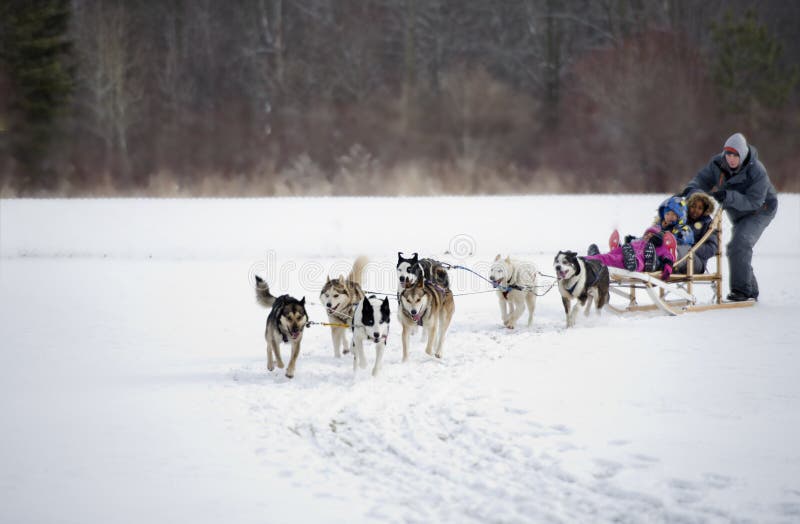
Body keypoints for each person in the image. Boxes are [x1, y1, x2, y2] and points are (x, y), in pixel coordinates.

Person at [679, 132, 778, 301]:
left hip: (761, 210)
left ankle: (742, 291)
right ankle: (751, 289)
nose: (731, 158)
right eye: (728, 154)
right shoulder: (718, 163)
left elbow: (755, 201)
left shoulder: (757, 171)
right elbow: (701, 180)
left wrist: (728, 196)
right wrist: (692, 192)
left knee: (739, 244)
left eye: (735, 155)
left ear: (743, 154)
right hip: (737, 210)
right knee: (738, 248)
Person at [587, 225, 676, 281]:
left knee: (637, 258)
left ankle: (635, 262)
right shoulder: (634, 244)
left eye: (652, 235)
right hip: (628, 255)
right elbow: (614, 253)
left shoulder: (660, 247)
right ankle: (591, 258)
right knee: (612, 257)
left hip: (644, 261)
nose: (648, 235)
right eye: (646, 234)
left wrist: (667, 269)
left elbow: (668, 257)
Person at [673, 191, 717, 274]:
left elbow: (712, 249)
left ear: (705, 210)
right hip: (678, 257)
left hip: (696, 262)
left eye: (700, 208)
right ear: (688, 206)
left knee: (681, 249)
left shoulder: (708, 224)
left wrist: (691, 247)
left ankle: (667, 265)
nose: (696, 210)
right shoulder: (681, 219)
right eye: (693, 206)